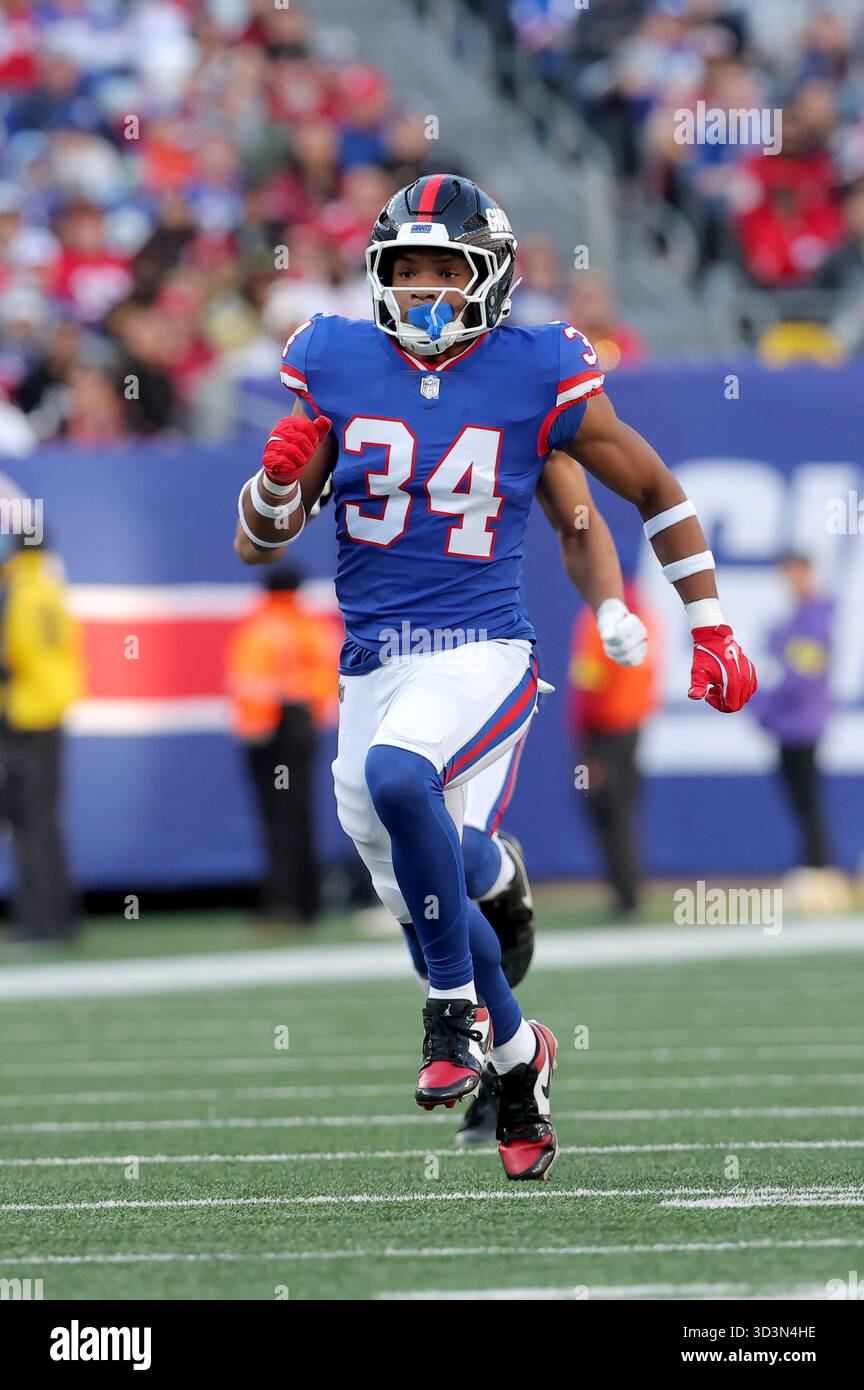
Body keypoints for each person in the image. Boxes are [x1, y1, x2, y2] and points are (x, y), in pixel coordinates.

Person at [233, 174, 757, 1180]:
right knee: (431, 884)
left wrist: (708, 624)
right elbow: (258, 542)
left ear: (490, 278)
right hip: (372, 664)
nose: (424, 290)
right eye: (407, 271)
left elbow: (639, 489)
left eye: (445, 271)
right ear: (378, 277)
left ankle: (448, 1016)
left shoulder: (533, 373)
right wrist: (270, 482)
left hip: (479, 648)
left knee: (399, 783)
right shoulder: (332, 361)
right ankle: (519, 1060)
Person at [227, 564, 340, 927]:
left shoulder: (264, 626)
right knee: (301, 813)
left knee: (277, 818)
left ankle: (283, 904)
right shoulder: (314, 627)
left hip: (272, 731)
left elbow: (251, 681)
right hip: (304, 726)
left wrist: (256, 729)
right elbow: (331, 676)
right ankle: (308, 901)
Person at [0, 529, 84, 941]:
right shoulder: (51, 587)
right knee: (45, 819)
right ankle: (60, 915)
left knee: (29, 820)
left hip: (25, 714)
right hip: (54, 709)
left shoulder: (16, 590)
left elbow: (13, 651)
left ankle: (40, 920)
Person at [568, 579, 659, 916]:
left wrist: (580, 728)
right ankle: (629, 887)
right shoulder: (646, 615)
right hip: (631, 728)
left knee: (600, 803)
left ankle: (625, 890)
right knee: (622, 806)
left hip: (601, 732)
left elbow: (588, 679)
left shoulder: (598, 619)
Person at [753, 552, 833, 873]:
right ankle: (813, 863)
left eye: (794, 573)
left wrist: (762, 708)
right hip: (789, 725)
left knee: (807, 800)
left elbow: (799, 678)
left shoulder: (812, 622)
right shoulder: (795, 620)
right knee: (800, 801)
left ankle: (818, 867)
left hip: (802, 725)